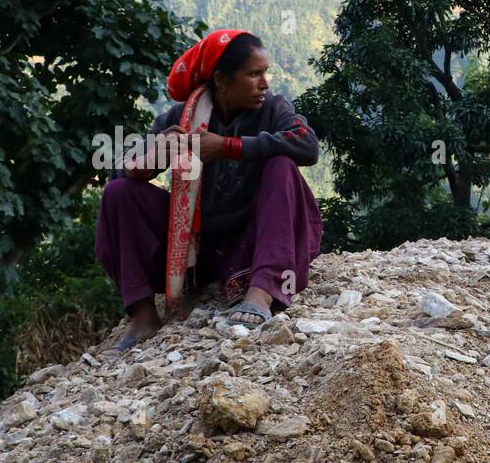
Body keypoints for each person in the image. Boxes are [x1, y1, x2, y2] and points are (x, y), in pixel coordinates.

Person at [94, 30, 323, 350]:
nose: (264, 83)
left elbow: (308, 146)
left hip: (252, 240)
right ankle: (143, 316)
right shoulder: (180, 118)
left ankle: (262, 291)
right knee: (119, 193)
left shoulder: (273, 109)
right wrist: (155, 155)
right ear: (222, 80)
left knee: (282, 165)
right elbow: (120, 169)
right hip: (198, 249)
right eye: (254, 74)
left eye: (264, 73)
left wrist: (229, 146)